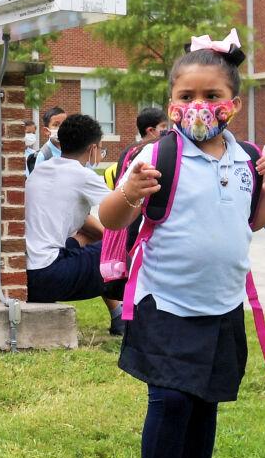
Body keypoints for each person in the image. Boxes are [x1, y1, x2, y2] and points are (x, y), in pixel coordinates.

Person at [97, 34, 265, 458]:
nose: (198, 107)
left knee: (205, 402)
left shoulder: (247, 158)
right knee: (169, 400)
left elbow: (251, 220)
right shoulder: (155, 155)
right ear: (170, 103)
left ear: (234, 102)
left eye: (211, 95)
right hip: (166, 302)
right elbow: (109, 219)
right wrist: (127, 193)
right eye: (186, 96)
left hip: (223, 304)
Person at [24, 114, 114, 318]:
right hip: (49, 275)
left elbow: (88, 225)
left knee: (90, 237)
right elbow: (120, 210)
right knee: (124, 250)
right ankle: (130, 316)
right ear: (93, 149)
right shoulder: (84, 175)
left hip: (26, 274)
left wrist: (102, 236)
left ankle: (117, 316)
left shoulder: (41, 169)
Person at [104, 105, 169, 189]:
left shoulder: (129, 149)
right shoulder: (153, 150)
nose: (166, 130)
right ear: (151, 130)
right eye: (163, 126)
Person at [29, 105, 68, 171]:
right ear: (47, 131)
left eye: (65, 124)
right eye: (56, 125)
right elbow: (37, 179)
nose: (62, 128)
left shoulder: (74, 148)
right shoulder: (44, 155)